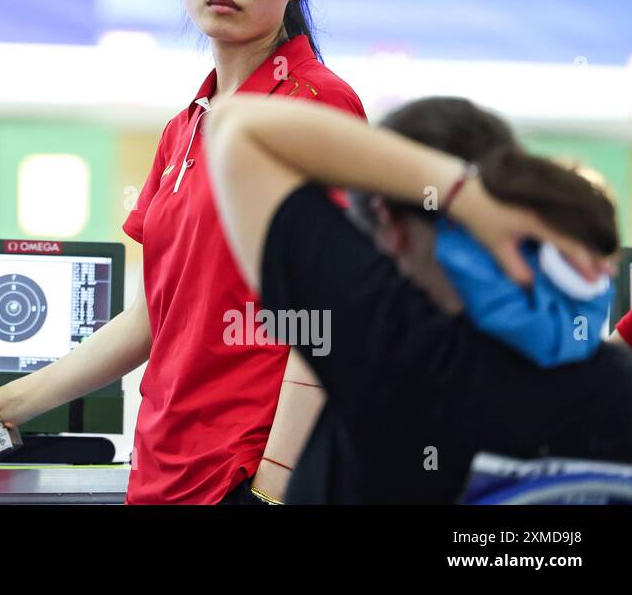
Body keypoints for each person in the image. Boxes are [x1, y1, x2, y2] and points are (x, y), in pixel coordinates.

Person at [0, 0, 366, 504]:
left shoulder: (315, 105)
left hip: (249, 478)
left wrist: (276, 487)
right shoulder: (183, 128)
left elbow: (329, 316)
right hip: (165, 474)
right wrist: (10, 402)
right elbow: (157, 313)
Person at [202, 92, 632, 503]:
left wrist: (462, 191)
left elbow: (233, 125)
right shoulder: (615, 383)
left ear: (386, 222)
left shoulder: (394, 353)